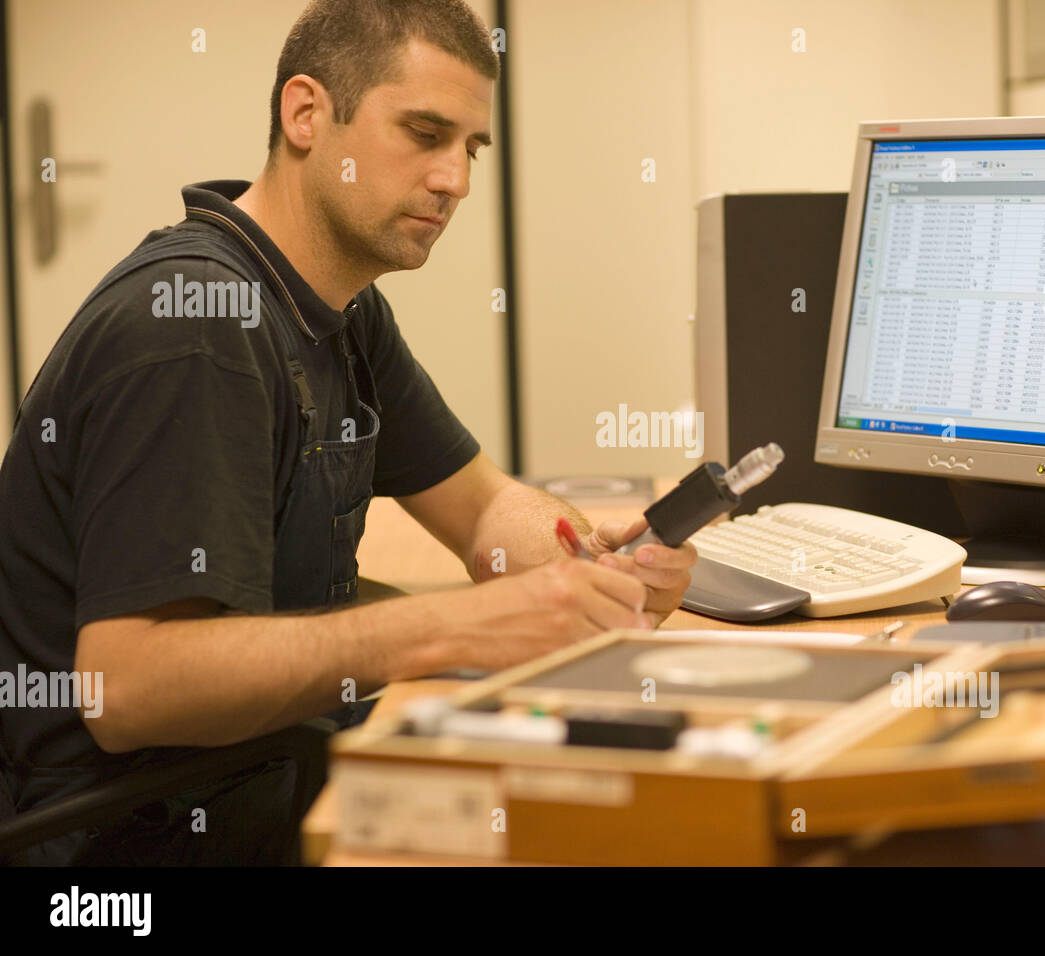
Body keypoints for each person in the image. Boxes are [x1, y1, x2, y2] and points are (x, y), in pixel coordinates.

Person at [0, 0, 695, 864]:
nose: (455, 181)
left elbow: (484, 511)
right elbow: (128, 690)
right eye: (424, 133)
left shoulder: (339, 311)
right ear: (305, 114)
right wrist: (461, 628)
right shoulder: (194, 328)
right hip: (136, 848)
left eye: (469, 149)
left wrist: (586, 569)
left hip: (266, 777)